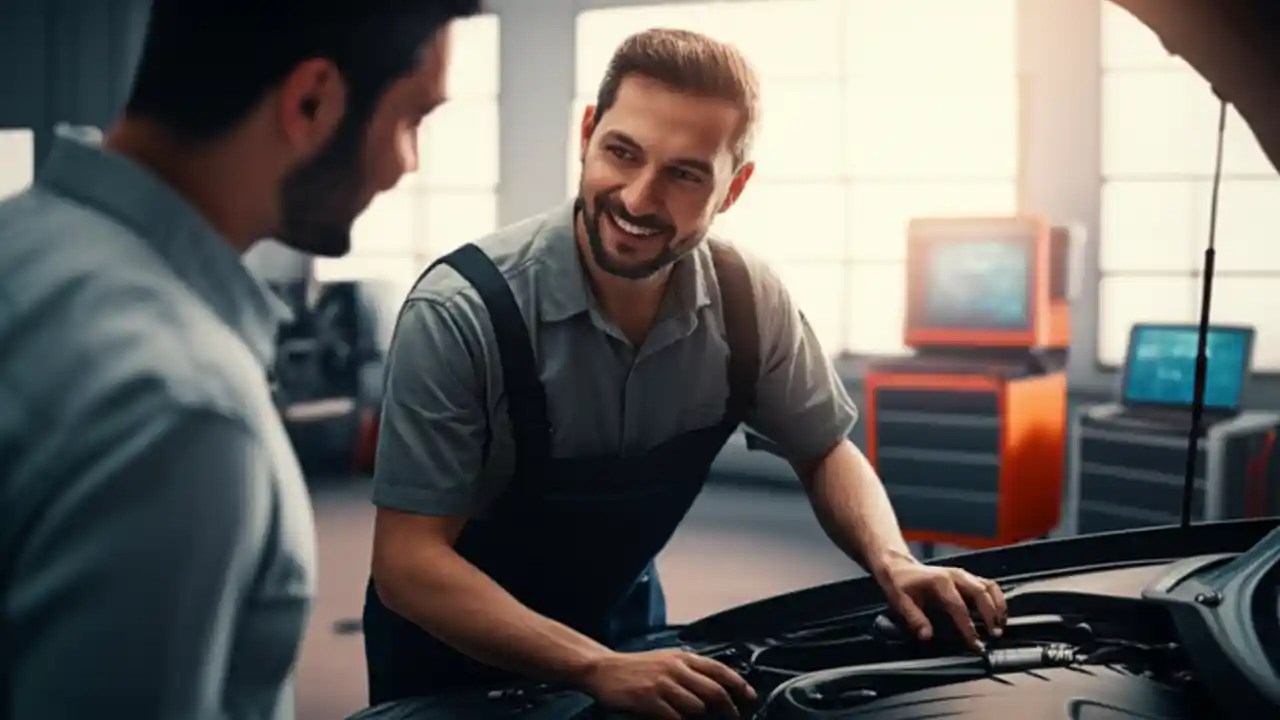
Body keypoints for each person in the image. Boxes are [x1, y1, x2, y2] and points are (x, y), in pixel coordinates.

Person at [363, 28, 1008, 719]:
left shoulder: (746, 300)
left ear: (734, 187)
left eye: (685, 173)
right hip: (453, 658)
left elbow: (822, 447)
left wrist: (894, 561)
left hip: (626, 629)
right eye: (622, 152)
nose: (639, 199)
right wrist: (594, 665)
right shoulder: (462, 313)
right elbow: (408, 566)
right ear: (588, 133)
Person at [0, 1, 479, 718]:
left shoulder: (22, 247)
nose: (408, 163)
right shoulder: (185, 411)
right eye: (413, 120)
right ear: (312, 101)